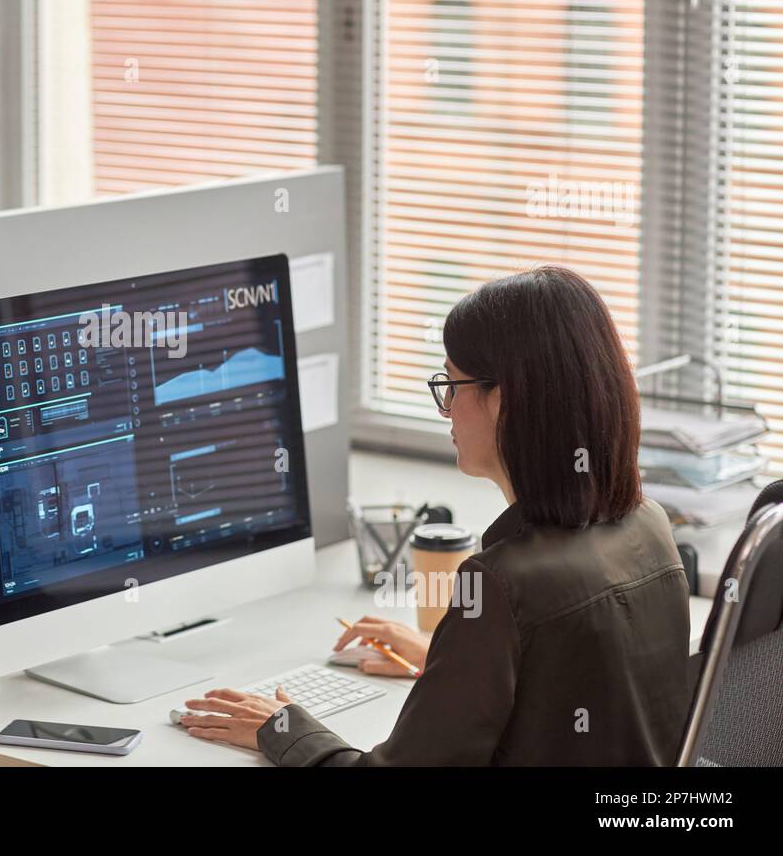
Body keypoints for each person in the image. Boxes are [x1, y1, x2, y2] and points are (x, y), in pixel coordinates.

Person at [178, 266, 692, 765]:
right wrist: (456, 665)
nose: (445, 408)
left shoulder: (503, 584)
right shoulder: (649, 524)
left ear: (502, 401)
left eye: (452, 385)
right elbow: (577, 697)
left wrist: (283, 727)